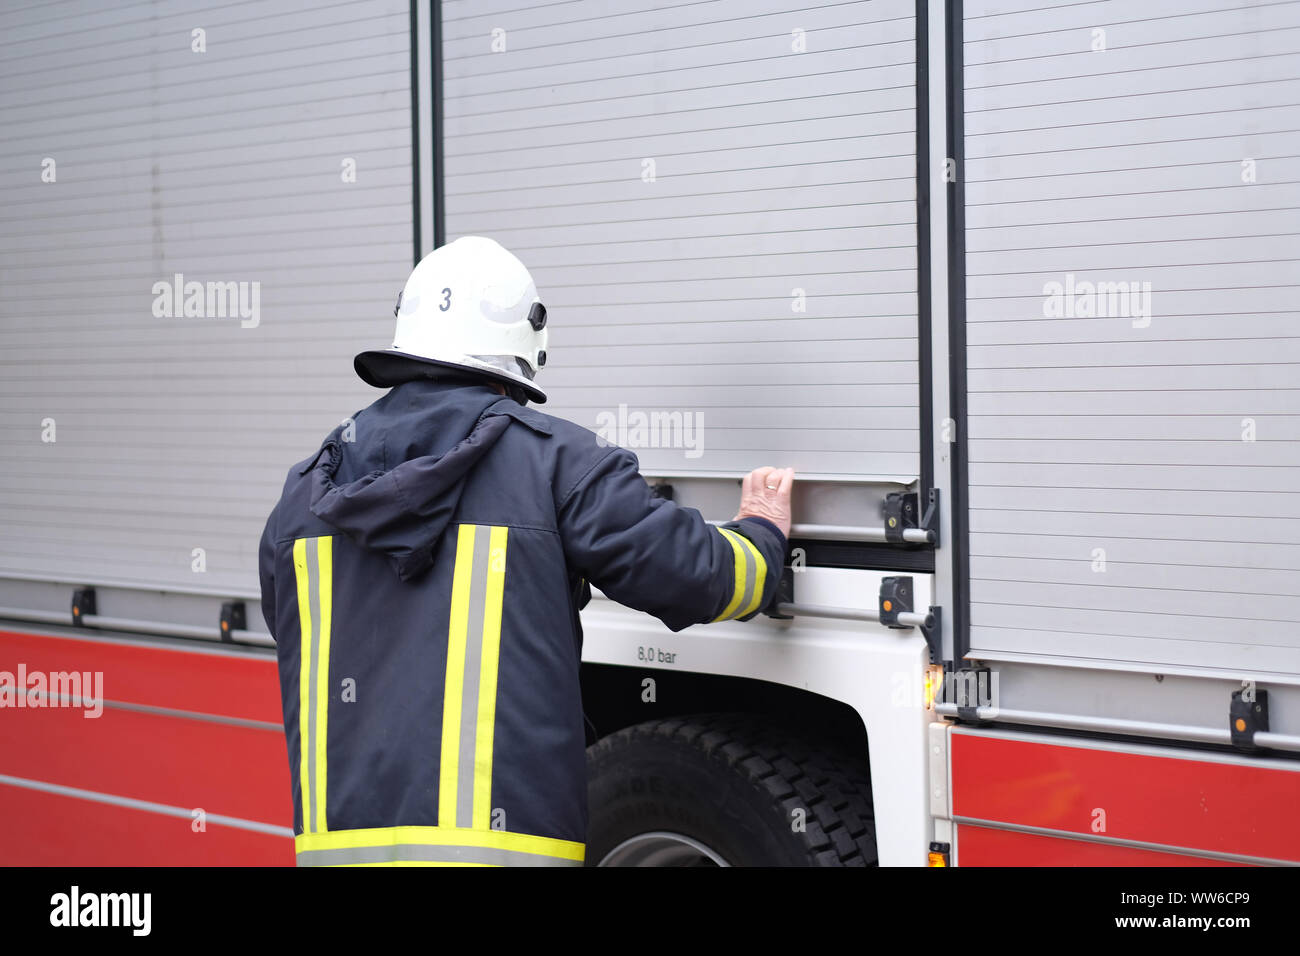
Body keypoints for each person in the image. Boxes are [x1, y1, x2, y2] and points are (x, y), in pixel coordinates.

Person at [258, 235, 793, 866]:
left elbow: (289, 628)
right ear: (524, 347)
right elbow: (692, 577)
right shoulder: (556, 463)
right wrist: (762, 533)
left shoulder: (304, 493)